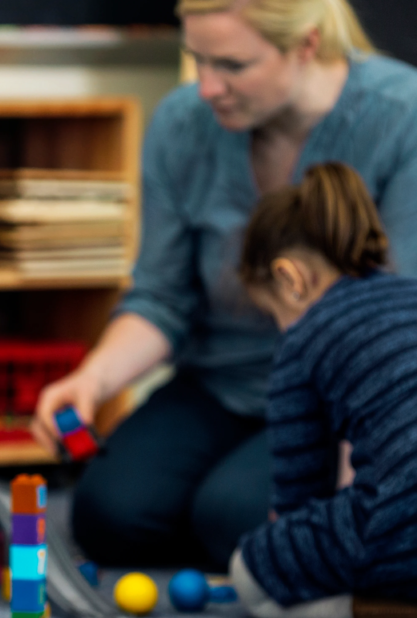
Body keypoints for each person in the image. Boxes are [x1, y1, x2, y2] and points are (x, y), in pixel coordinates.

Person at [33, 0, 417, 572]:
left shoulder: (400, 115)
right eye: (197, 60)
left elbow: (396, 327)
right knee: (107, 515)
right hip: (220, 381)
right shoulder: (182, 123)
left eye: (233, 66)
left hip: (342, 398)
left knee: (228, 514)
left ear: (306, 45)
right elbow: (161, 297)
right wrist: (94, 377)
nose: (208, 87)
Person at [228, 162, 417, 618]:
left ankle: (389, 610)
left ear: (289, 279)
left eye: (273, 312)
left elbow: (298, 496)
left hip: (400, 532)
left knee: (249, 572)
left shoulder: (305, 337)